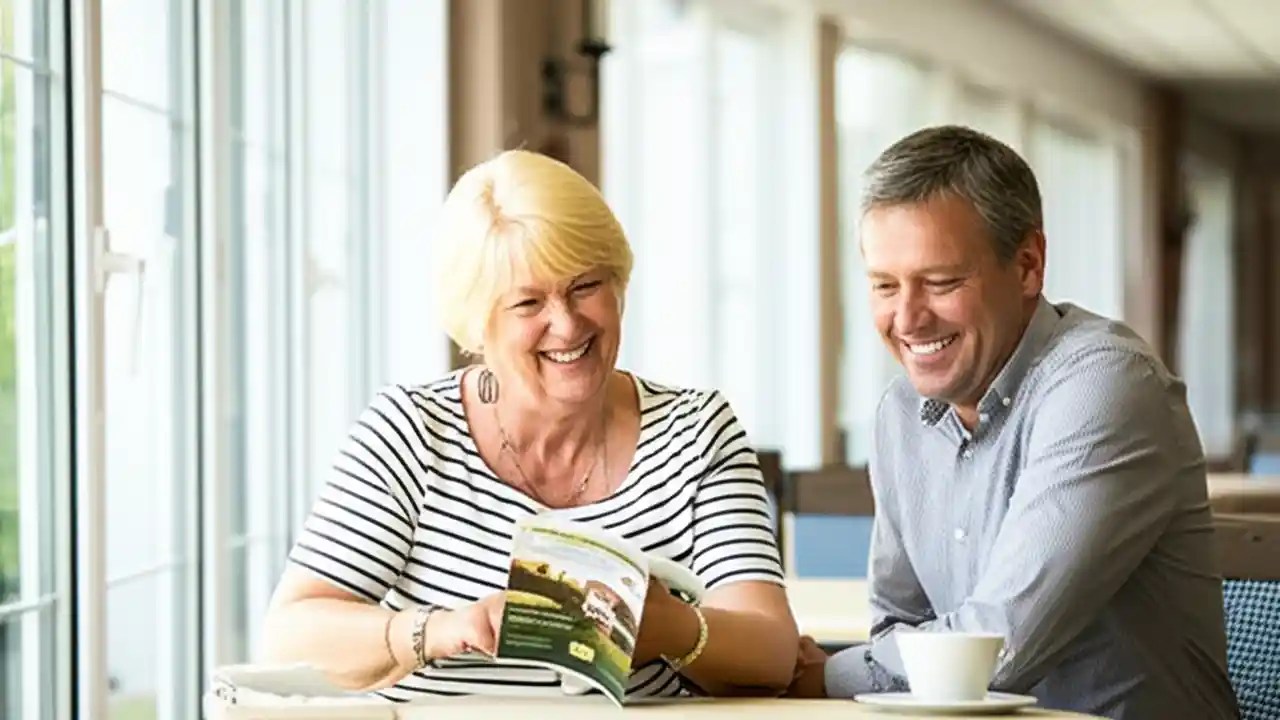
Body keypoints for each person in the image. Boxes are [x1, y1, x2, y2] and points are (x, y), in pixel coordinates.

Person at [261, 149, 798, 701]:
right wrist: (438, 630)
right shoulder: (410, 431)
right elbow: (290, 637)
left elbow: (773, 654)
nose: (566, 325)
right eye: (528, 302)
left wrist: (665, 628)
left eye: (585, 286)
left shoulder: (696, 429)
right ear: (478, 323)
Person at [787, 125, 1238, 719]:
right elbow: (897, 626)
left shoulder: (1106, 386)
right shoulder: (901, 415)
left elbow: (994, 651)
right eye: (884, 286)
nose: (907, 318)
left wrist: (825, 674)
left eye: (941, 282)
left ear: (1027, 266)